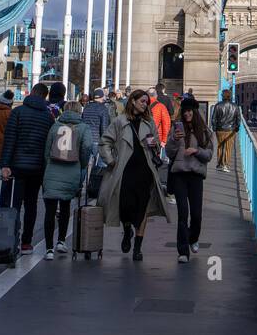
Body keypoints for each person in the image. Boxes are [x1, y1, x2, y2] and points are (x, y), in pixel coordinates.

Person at [98, 89, 170, 260]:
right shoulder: (119, 121)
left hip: (144, 171)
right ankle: (127, 229)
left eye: (146, 102)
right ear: (132, 102)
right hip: (125, 170)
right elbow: (105, 142)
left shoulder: (149, 122)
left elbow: (156, 147)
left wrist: (154, 145)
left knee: (142, 208)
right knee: (125, 206)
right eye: (142, 101)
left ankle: (137, 248)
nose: (145, 104)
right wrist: (111, 161)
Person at [0, 81, 53, 253]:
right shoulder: (48, 117)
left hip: (18, 165)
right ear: (45, 97)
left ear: (31, 92)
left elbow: (9, 141)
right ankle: (26, 242)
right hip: (38, 167)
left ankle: (12, 238)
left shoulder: (17, 112)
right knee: (31, 205)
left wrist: (5, 165)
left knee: (15, 204)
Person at [42, 104, 94, 259]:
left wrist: (48, 166)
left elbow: (47, 150)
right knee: (65, 208)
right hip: (72, 170)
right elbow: (87, 147)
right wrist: (82, 164)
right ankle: (61, 241)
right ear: (79, 111)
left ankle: (49, 249)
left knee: (50, 211)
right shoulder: (83, 128)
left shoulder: (55, 126)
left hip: (52, 170)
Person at [165, 95, 213, 262]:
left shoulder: (205, 131)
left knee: (197, 215)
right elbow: (169, 153)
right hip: (179, 174)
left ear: (195, 111)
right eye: (184, 111)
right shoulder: (177, 130)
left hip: (196, 176)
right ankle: (183, 251)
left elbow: (209, 155)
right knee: (182, 213)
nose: (186, 114)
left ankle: (193, 238)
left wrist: (196, 151)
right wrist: (173, 140)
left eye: (189, 111)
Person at [211, 89, 241, 172]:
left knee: (220, 146)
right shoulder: (235, 106)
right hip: (231, 130)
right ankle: (226, 165)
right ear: (230, 96)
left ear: (223, 96)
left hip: (220, 129)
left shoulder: (218, 105)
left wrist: (214, 128)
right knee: (228, 147)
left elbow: (213, 118)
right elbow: (238, 119)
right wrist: (237, 127)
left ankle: (219, 164)